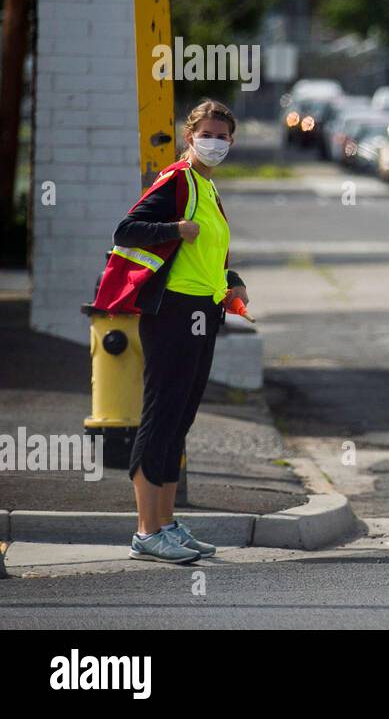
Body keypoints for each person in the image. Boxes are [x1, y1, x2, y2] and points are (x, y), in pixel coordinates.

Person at [90, 99, 249, 563]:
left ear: (231, 141)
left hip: (203, 310)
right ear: (190, 136)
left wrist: (232, 285)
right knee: (161, 412)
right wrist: (176, 228)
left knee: (181, 416)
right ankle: (145, 530)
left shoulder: (208, 188)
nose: (215, 142)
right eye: (208, 134)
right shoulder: (178, 180)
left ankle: (166, 523)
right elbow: (127, 230)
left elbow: (212, 257)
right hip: (172, 312)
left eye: (223, 136)